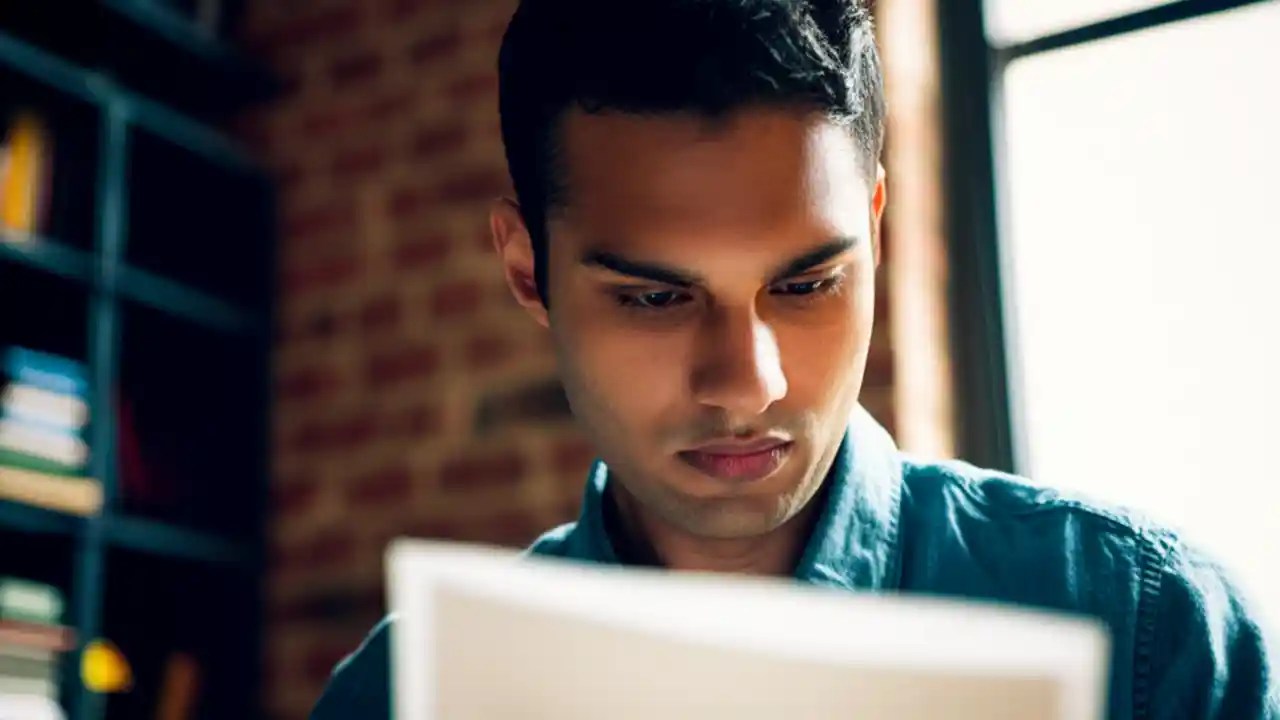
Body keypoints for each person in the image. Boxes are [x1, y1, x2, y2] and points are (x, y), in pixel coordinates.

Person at [309, 1, 1278, 717]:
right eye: (654, 298)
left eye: (806, 285)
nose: (747, 383)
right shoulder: (397, 699)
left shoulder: (1152, 637)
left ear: (874, 231)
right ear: (529, 273)